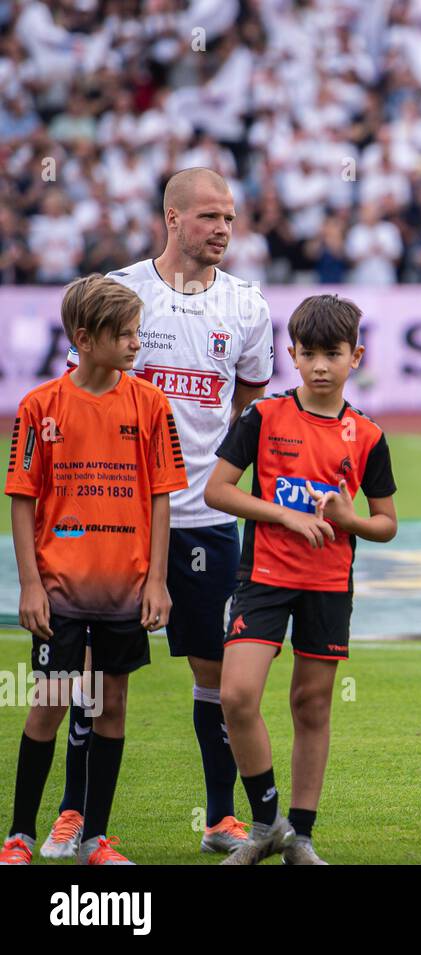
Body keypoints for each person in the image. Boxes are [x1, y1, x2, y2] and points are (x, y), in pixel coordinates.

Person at [49, 167, 275, 859]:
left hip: (204, 516)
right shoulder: (122, 293)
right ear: (172, 217)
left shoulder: (247, 305)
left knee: (213, 668)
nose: (222, 231)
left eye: (231, 219)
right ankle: (72, 813)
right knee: (92, 670)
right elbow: (81, 395)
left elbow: (250, 398)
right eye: (209, 217)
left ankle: (218, 816)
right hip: (116, 514)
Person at [204, 295, 397, 865]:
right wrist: (285, 513)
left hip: (329, 584)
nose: (319, 365)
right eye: (307, 353)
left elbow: (385, 523)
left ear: (355, 356)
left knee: (312, 705)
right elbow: (218, 490)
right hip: (262, 577)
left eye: (331, 354)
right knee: (237, 696)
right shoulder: (263, 417)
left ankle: (300, 837)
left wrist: (349, 520)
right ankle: (266, 823)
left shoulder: (368, 435)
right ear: (291, 354)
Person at [1, 275, 187, 866]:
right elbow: (23, 498)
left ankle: (95, 839)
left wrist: (157, 579)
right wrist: (30, 585)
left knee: (111, 705)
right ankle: (20, 835)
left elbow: (162, 496)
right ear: (85, 337)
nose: (137, 343)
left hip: (125, 587)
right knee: (49, 704)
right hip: (59, 590)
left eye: (137, 331)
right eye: (125, 334)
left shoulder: (151, 403)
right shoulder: (39, 408)